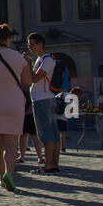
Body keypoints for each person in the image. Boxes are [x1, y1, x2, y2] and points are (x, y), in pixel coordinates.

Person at [0, 24, 34, 192]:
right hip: (14, 102)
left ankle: (1, 176)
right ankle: (9, 174)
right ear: (9, 38)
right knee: (12, 143)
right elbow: (27, 82)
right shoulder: (18, 57)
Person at [26, 33, 62, 174]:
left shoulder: (46, 60)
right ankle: (53, 164)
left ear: (40, 44)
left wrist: (28, 65)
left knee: (47, 134)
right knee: (53, 133)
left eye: (32, 44)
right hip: (46, 98)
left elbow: (35, 78)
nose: (30, 47)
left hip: (43, 99)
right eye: (29, 44)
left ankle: (49, 165)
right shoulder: (42, 59)